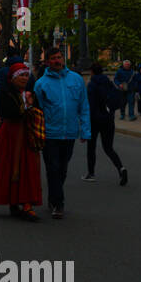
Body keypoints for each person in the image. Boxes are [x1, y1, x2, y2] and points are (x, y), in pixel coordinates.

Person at [32, 48, 90, 219]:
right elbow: (38, 110)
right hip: (50, 134)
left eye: (59, 57)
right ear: (48, 62)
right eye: (53, 58)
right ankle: (59, 203)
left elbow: (83, 106)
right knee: (53, 168)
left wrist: (85, 130)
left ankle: (53, 197)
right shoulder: (41, 84)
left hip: (69, 133)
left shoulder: (76, 79)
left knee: (62, 169)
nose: (57, 60)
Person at [0, 63, 42, 221]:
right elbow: (9, 113)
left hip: (26, 134)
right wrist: (26, 107)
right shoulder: (6, 93)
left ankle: (27, 204)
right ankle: (14, 202)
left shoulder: (30, 93)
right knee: (10, 167)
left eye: (26, 75)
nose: (24, 78)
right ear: (14, 77)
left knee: (28, 167)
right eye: (21, 75)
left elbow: (36, 112)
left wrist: (30, 104)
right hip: (11, 133)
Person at [83, 62, 127, 185]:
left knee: (91, 148)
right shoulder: (109, 82)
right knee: (108, 148)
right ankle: (121, 168)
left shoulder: (92, 85)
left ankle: (91, 173)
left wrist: (85, 121)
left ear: (92, 72)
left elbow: (90, 105)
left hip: (95, 120)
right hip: (108, 119)